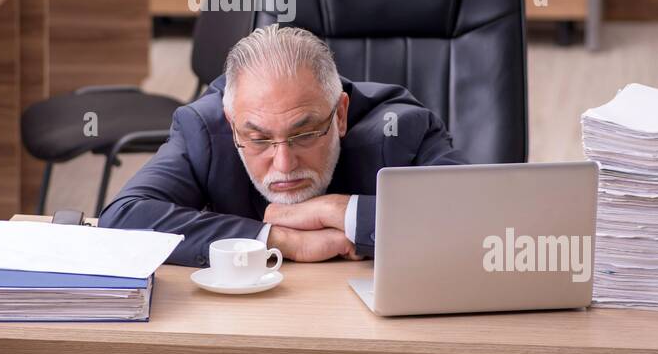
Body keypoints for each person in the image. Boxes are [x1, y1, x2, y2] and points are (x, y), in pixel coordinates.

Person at [99, 24, 468, 266]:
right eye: (258, 139)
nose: (284, 164)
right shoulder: (205, 129)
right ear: (232, 125)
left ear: (340, 115)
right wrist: (276, 239)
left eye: (305, 134)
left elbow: (480, 221)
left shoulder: (401, 130)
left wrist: (341, 212)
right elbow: (122, 222)